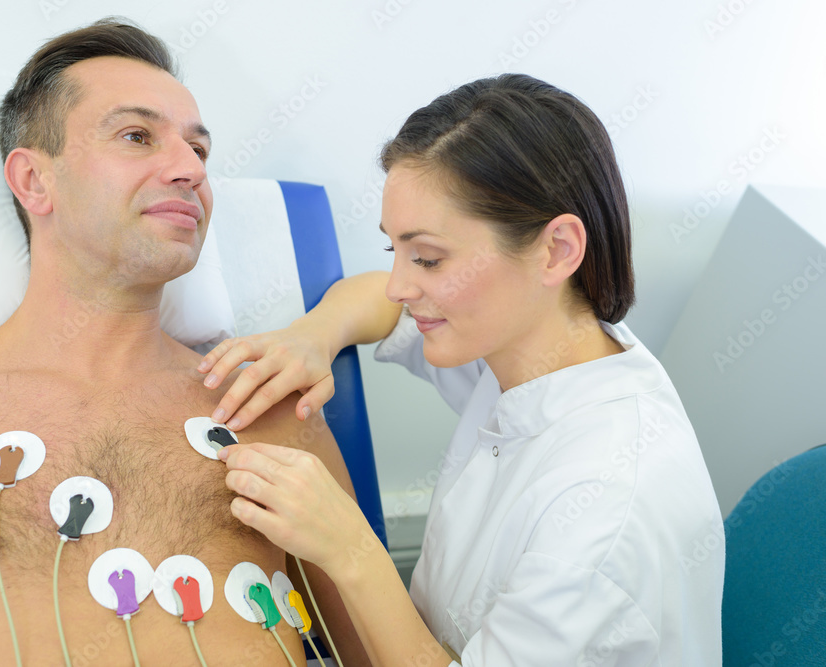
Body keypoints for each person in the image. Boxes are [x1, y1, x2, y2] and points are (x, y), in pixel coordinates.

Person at [0, 18, 370, 667]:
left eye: (199, 151)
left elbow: (387, 650)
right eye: (137, 136)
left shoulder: (271, 415)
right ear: (35, 181)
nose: (189, 170)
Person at [199, 74, 725, 665]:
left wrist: (348, 548)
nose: (399, 286)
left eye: (428, 258)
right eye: (394, 250)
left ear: (556, 249)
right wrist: (313, 336)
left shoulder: (602, 513)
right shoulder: (530, 348)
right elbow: (374, 301)